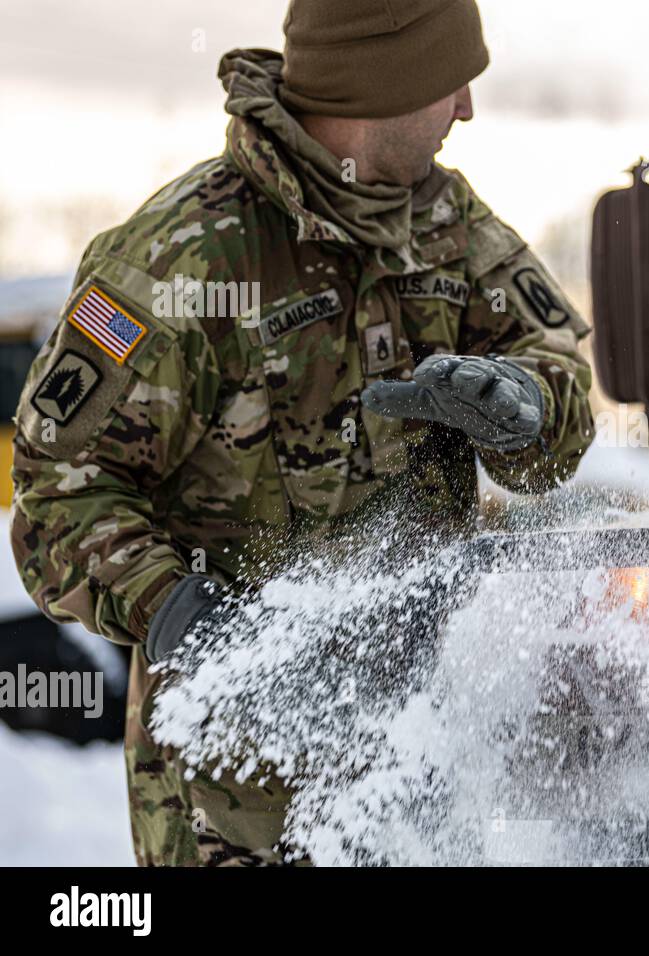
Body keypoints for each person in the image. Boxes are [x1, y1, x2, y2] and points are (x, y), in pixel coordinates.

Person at [9, 0, 594, 865]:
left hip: (432, 780)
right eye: (449, 81)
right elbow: (56, 491)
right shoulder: (187, 259)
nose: (466, 108)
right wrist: (176, 612)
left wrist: (528, 406)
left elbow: (557, 364)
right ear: (377, 85)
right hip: (237, 813)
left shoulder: (446, 223)